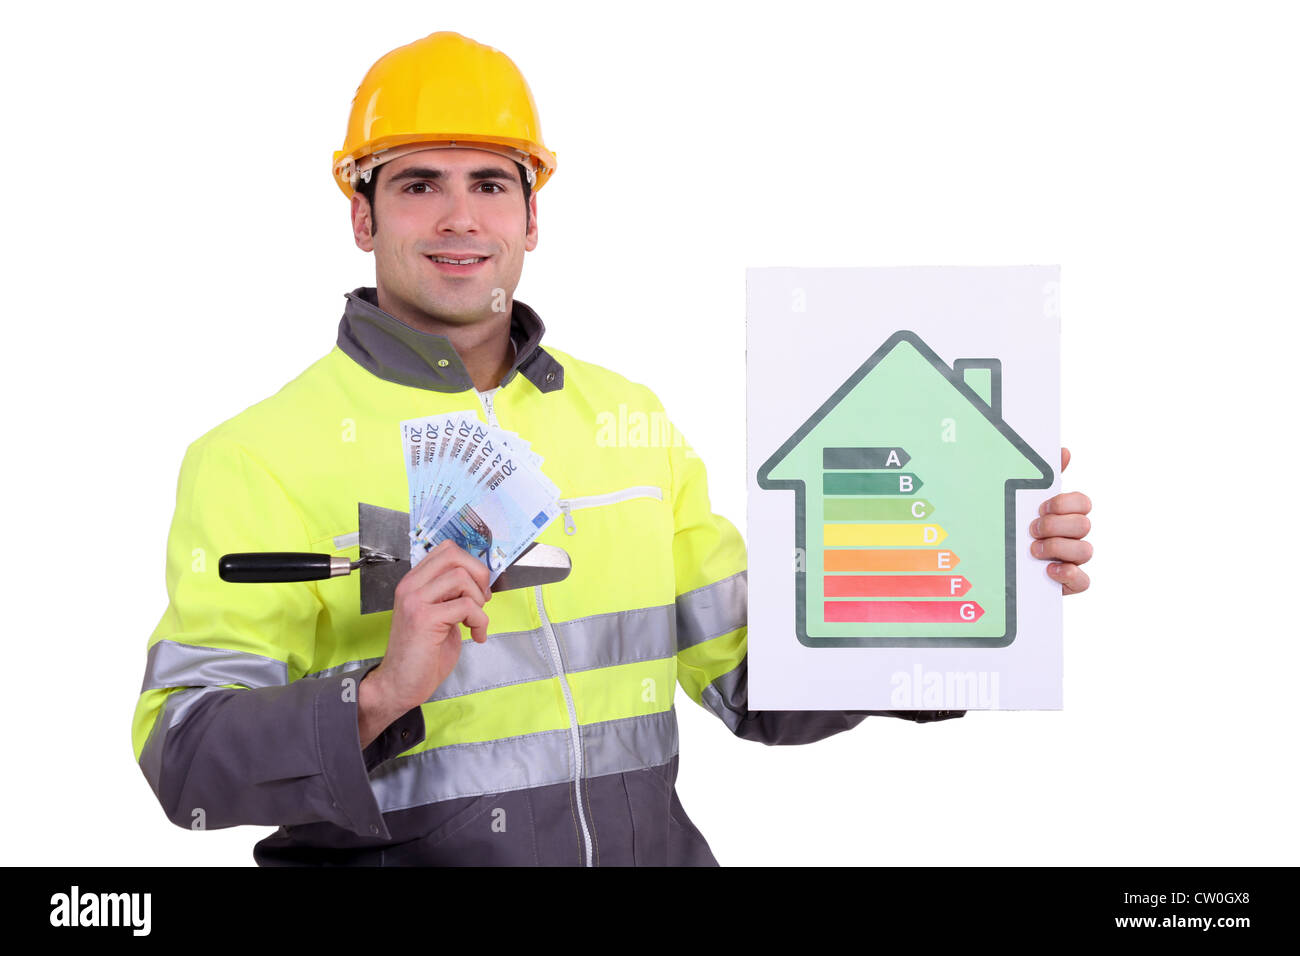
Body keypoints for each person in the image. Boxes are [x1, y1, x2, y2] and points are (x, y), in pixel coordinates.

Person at [131, 30, 1093, 866]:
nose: (460, 219)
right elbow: (183, 756)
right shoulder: (255, 456)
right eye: (419, 183)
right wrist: (375, 695)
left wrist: (975, 581)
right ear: (362, 215)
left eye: (491, 185)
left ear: (531, 218)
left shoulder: (628, 421)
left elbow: (760, 681)